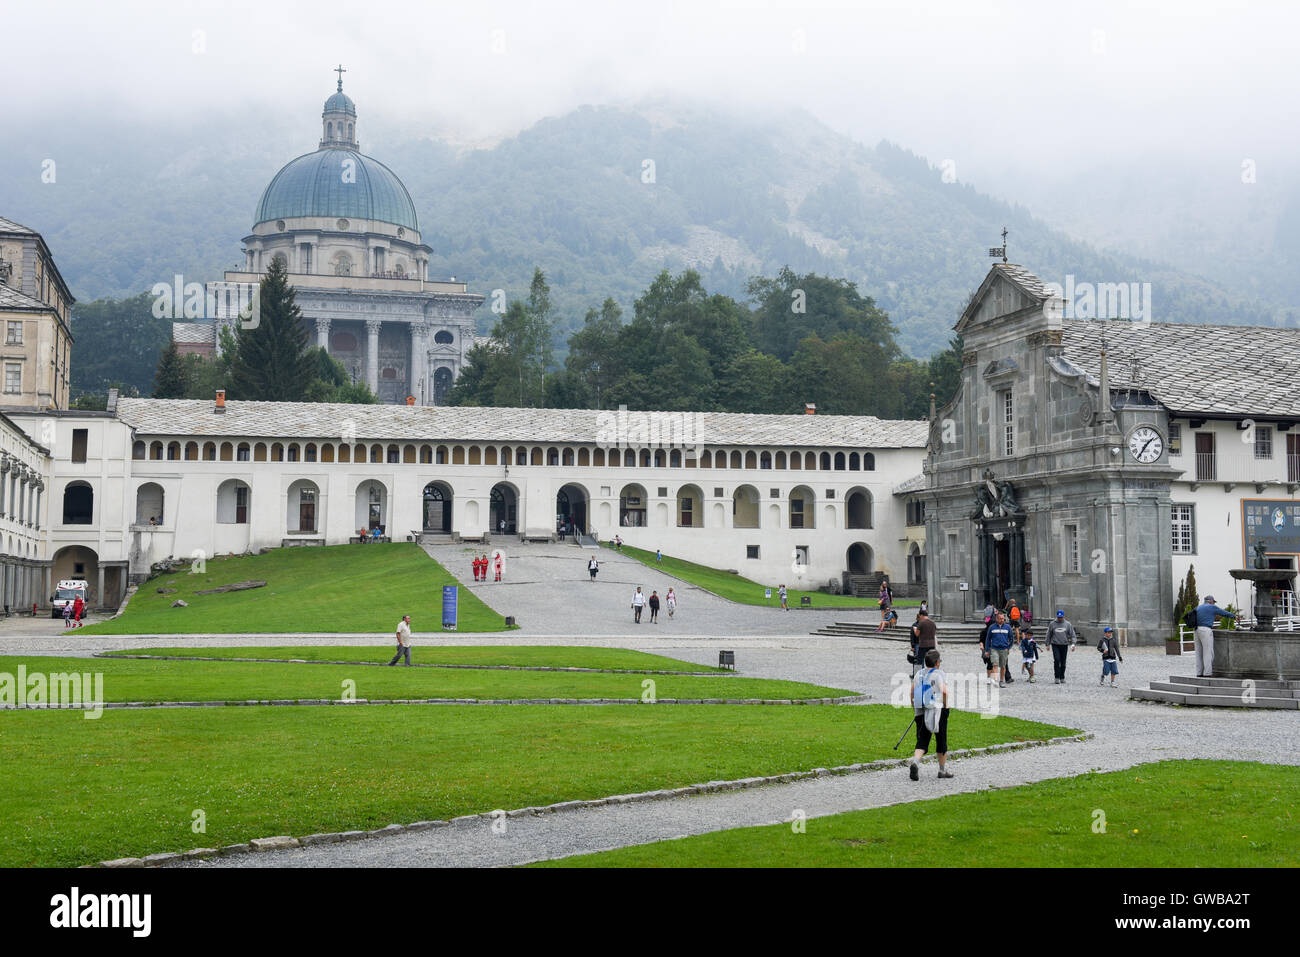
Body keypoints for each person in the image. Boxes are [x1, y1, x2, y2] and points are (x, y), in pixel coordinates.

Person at [908, 649, 954, 781]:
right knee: (941, 739)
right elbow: (944, 692)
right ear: (937, 663)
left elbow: (911, 693)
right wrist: (945, 705)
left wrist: (914, 708)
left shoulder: (918, 674)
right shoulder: (939, 674)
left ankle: (915, 762)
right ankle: (942, 770)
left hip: (920, 710)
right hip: (937, 710)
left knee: (922, 740)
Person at [1192, 595, 1238, 678]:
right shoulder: (1212, 607)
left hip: (1196, 630)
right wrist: (1234, 616)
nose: (1214, 603)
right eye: (1213, 602)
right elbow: (1223, 613)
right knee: (1208, 652)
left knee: (1199, 653)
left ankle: (1199, 673)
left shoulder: (1198, 607)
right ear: (1210, 601)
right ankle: (1207, 673)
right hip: (1206, 630)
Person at [1046, 610, 1077, 684]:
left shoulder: (1067, 624)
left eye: (1061, 617)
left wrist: (1073, 644)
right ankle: (1057, 677)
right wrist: (1047, 644)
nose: (1060, 619)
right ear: (1057, 616)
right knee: (1057, 660)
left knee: (1063, 662)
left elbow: (1072, 634)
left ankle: (1062, 676)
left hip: (1064, 644)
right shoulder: (1052, 624)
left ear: (1063, 616)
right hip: (1055, 644)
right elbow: (1049, 634)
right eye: (1059, 617)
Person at [985, 611, 1014, 688]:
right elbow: (988, 639)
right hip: (994, 649)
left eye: (1003, 618)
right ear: (997, 619)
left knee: (1003, 666)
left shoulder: (1008, 627)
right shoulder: (992, 627)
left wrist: (1009, 647)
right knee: (995, 664)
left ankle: (1001, 681)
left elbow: (1011, 639)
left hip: (1004, 649)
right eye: (1000, 618)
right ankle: (996, 680)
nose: (1002, 620)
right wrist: (987, 650)